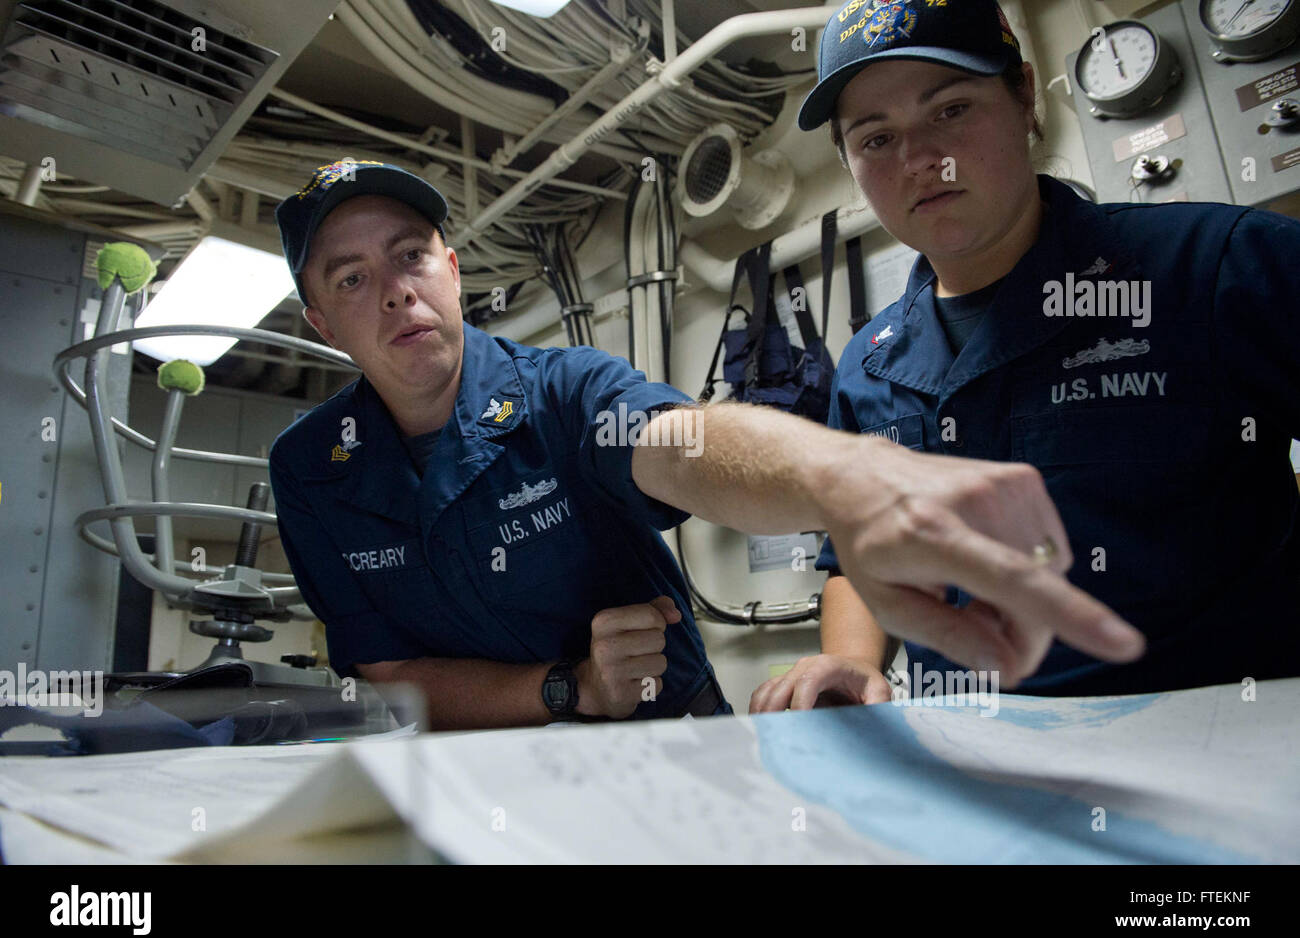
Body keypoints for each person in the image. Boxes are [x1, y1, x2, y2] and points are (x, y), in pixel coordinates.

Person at [269, 160, 1141, 731]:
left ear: (453, 269)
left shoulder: (563, 391)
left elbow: (678, 442)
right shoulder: (310, 468)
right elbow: (383, 670)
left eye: (412, 255)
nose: (396, 293)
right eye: (353, 278)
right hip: (472, 762)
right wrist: (566, 686)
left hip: (667, 730)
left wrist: (844, 472)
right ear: (320, 321)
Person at [752, 0, 1300, 712]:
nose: (921, 159)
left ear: (1025, 98)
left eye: (950, 110)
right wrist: (850, 661)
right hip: (974, 767)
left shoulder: (1214, 267)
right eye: (877, 138)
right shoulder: (867, 364)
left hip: (1213, 763)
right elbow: (856, 562)